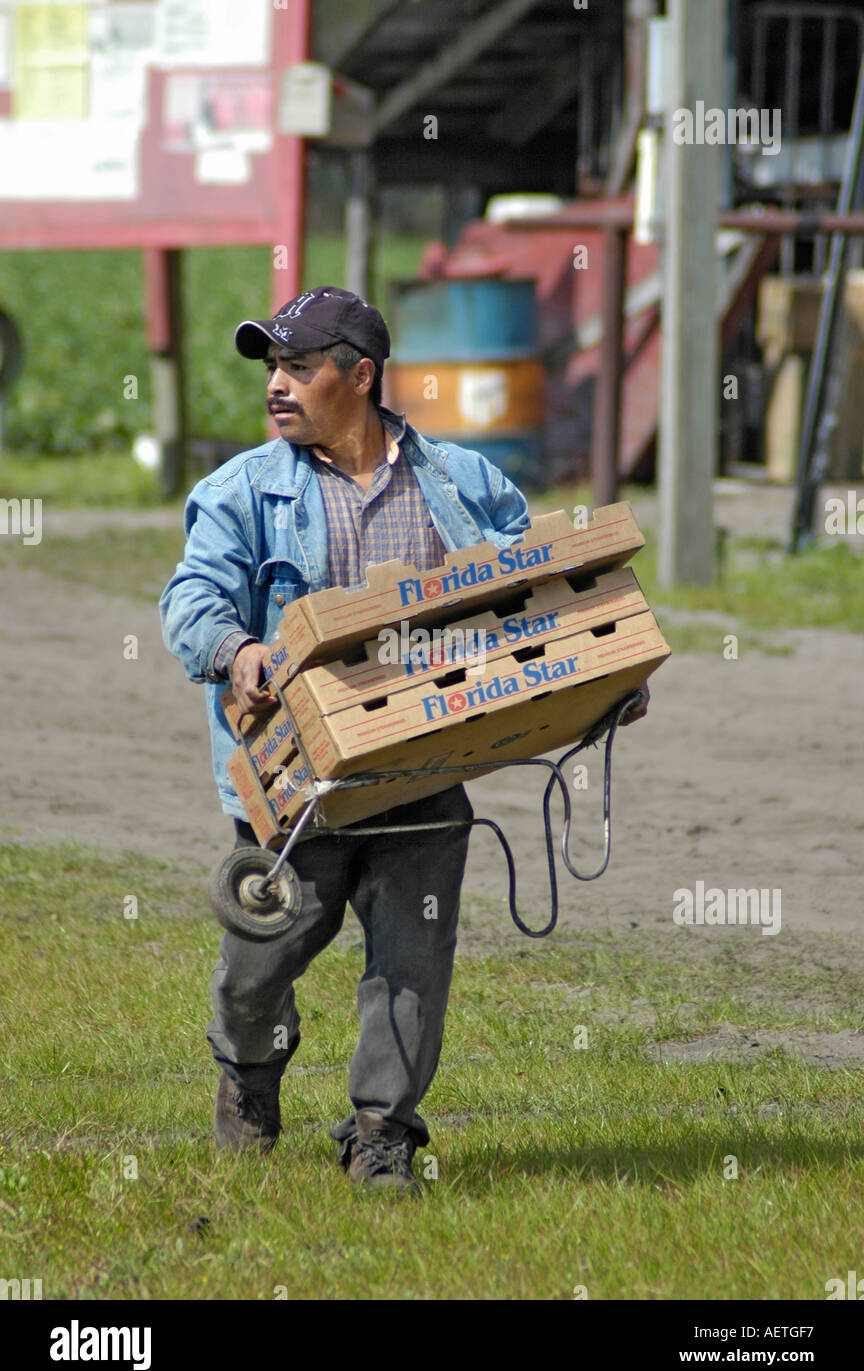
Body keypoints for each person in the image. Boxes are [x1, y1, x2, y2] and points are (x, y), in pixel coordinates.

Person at [159, 284, 648, 1193]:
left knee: (412, 964)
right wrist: (237, 648)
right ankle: (249, 1076)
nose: (278, 384)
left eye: (299, 367)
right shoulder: (241, 492)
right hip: (300, 786)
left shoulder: (462, 485)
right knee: (256, 969)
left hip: (424, 771)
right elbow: (189, 599)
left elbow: (539, 591)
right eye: (273, 367)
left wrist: (599, 677)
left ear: (361, 375)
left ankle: (382, 1132)